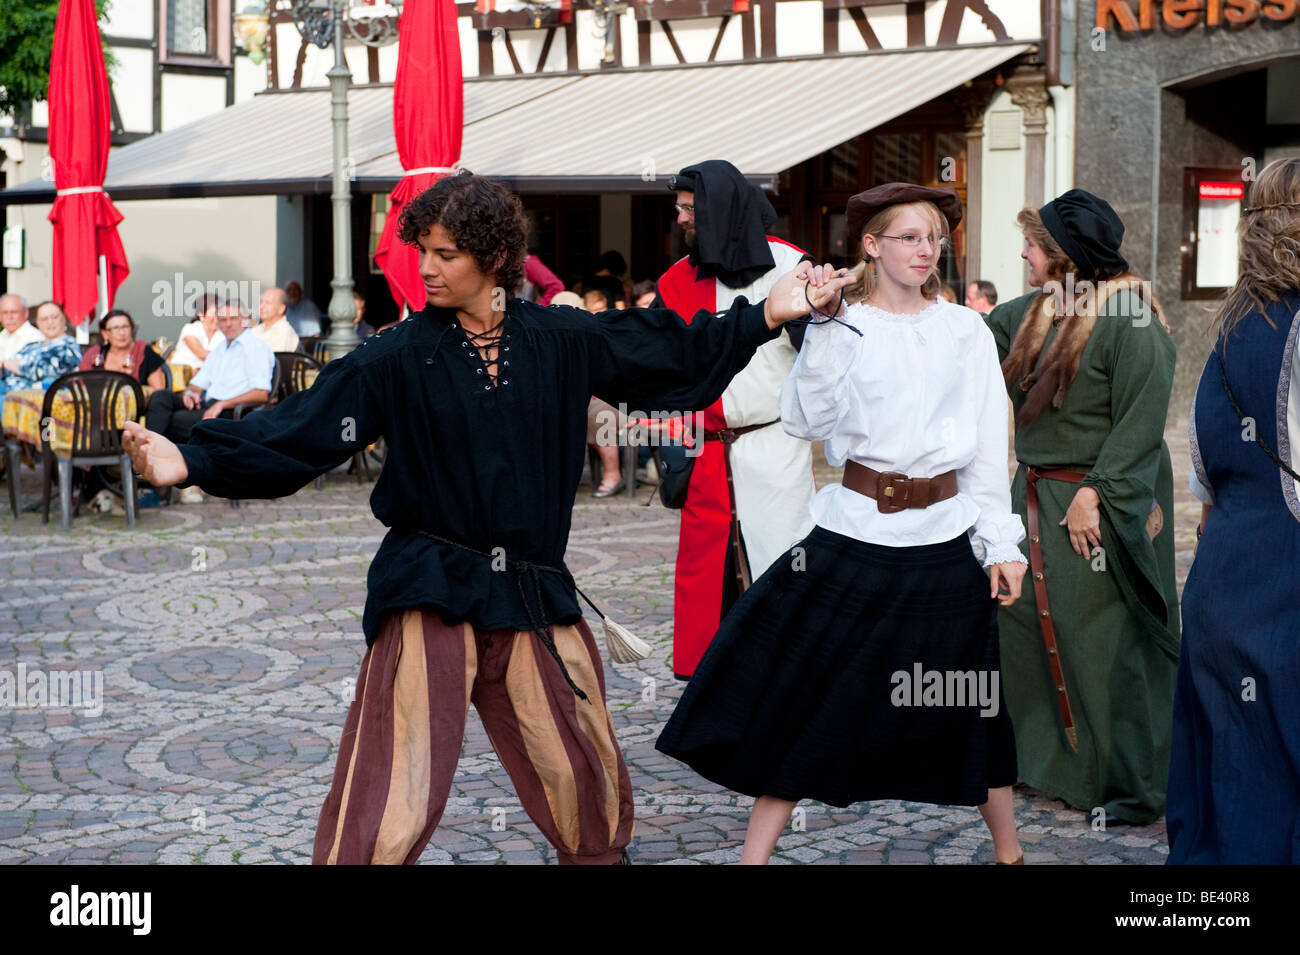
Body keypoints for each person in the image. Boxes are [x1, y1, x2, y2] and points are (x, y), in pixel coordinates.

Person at [122, 171, 845, 866]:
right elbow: (305, 427)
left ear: (495, 257)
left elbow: (668, 351)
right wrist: (192, 460)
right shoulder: (398, 355)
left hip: (530, 589)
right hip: (429, 583)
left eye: (447, 254)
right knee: (392, 792)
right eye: (423, 252)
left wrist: (766, 313)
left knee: (583, 772)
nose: (427, 269)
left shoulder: (561, 338)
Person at [657, 183, 1027, 865]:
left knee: (973, 702)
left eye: (934, 238)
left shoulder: (966, 330)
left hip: (944, 539)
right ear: (871, 245)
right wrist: (823, 325)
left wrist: (1000, 543)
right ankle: (753, 859)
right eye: (910, 237)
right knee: (803, 693)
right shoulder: (842, 325)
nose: (925, 249)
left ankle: (1010, 853)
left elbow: (985, 447)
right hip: (852, 535)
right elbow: (805, 422)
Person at [985, 189, 1179, 826]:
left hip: (1098, 504)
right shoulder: (1035, 312)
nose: (1024, 255)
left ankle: (1119, 780)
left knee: (1101, 641)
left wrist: (1097, 494)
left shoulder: (1133, 317)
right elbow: (962, 338)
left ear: (1065, 257)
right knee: (1026, 633)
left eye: (1034, 246)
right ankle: (1047, 765)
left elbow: (1142, 420)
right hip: (1035, 497)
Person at [1167, 156, 1300, 863]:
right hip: (1284, 581)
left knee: (1226, 770)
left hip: (1223, 577)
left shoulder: (1228, 329)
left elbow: (1203, 471)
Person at [657, 159, 817, 680]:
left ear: (717, 209)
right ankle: (716, 688)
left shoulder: (790, 266)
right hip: (705, 449)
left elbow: (826, 361)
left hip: (774, 446)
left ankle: (787, 682)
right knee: (711, 577)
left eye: (688, 209)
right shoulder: (676, 281)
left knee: (781, 560)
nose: (681, 219)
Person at [0, 301, 81, 398]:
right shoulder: (32, 346)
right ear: (38, 323)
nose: (50, 322)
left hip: (32, 398)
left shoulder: (69, 345)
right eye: (44, 319)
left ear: (63, 319)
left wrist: (19, 367)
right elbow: (7, 366)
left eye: (54, 317)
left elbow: (49, 369)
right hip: (7, 389)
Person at [80, 309, 167, 391]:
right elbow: (80, 386)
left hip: (138, 405)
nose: (122, 333)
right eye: (115, 328)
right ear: (105, 334)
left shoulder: (143, 351)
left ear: (132, 330)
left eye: (125, 327)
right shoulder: (95, 353)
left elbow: (158, 391)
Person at [171, 296, 224, 371]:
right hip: (182, 376)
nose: (217, 317)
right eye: (214, 314)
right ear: (201, 314)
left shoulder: (222, 334)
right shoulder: (190, 329)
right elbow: (202, 354)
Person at [251, 288, 301, 353]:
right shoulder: (256, 329)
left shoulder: (285, 333)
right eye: (261, 302)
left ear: (281, 309)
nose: (261, 307)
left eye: (268, 303)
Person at [0, 294, 42, 362]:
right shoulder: (1, 336)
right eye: (5, 313)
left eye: (14, 312)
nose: (9, 317)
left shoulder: (35, 338)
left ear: (26, 313)